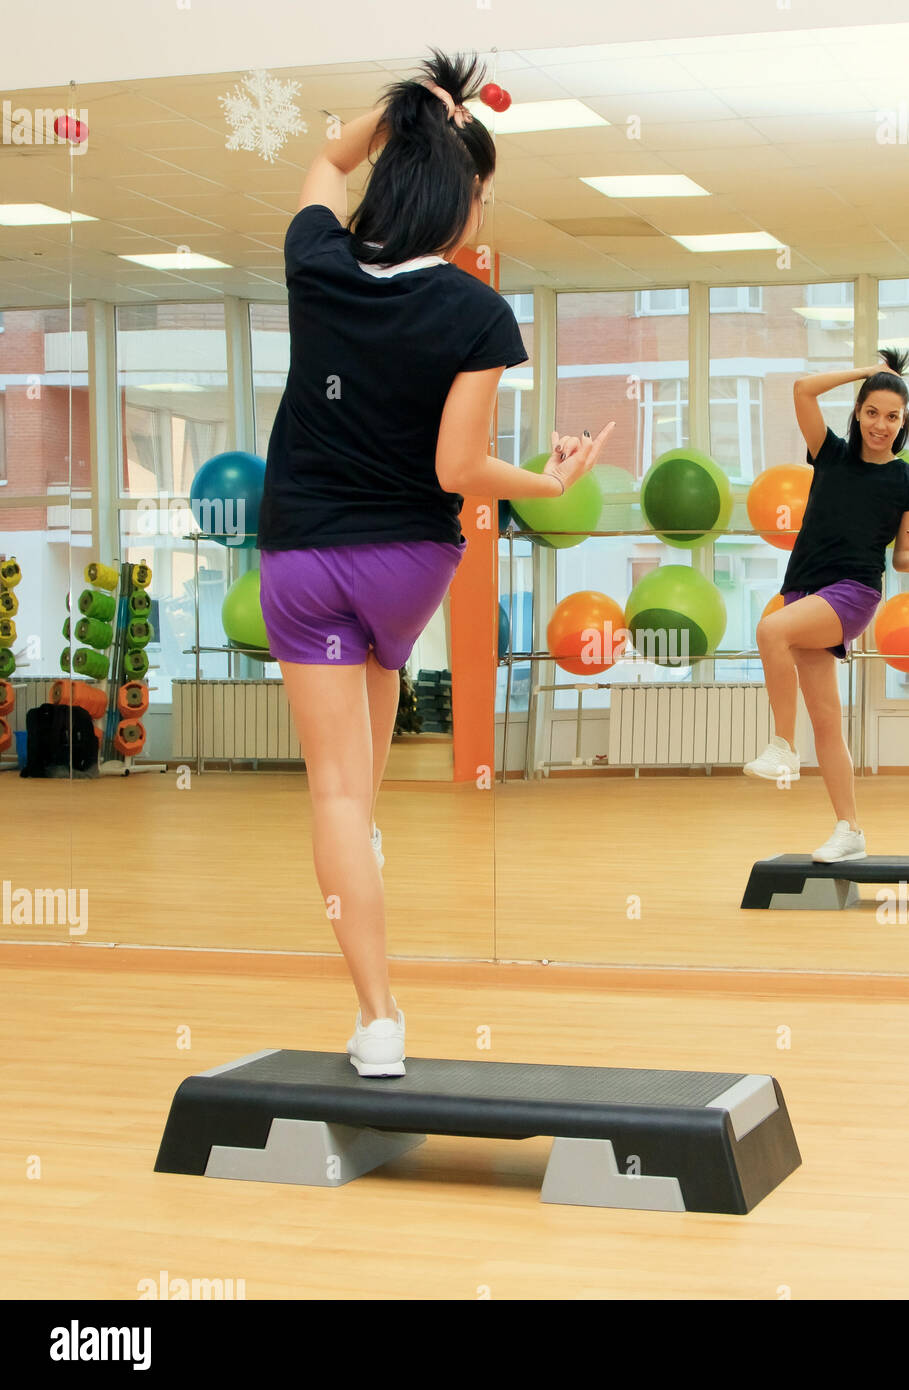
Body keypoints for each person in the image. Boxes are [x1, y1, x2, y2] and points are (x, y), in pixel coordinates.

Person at [255, 50, 613, 1077]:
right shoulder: (475, 312)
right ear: (456, 193)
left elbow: (329, 155)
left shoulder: (314, 260)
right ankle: (360, 837)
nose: (481, 218)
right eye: (480, 197)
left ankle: (377, 1022)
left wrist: (407, 111)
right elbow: (459, 467)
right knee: (377, 679)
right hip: (409, 561)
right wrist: (549, 481)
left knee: (332, 793)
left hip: (306, 554)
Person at [743, 348, 909, 862]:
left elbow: (902, 558)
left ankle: (783, 745)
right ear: (858, 411)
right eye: (873, 411)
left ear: (904, 423)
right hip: (804, 590)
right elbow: (803, 389)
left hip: (854, 593)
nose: (882, 424)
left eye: (893, 416)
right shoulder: (829, 454)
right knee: (828, 723)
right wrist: (870, 372)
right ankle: (850, 830)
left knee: (771, 632)